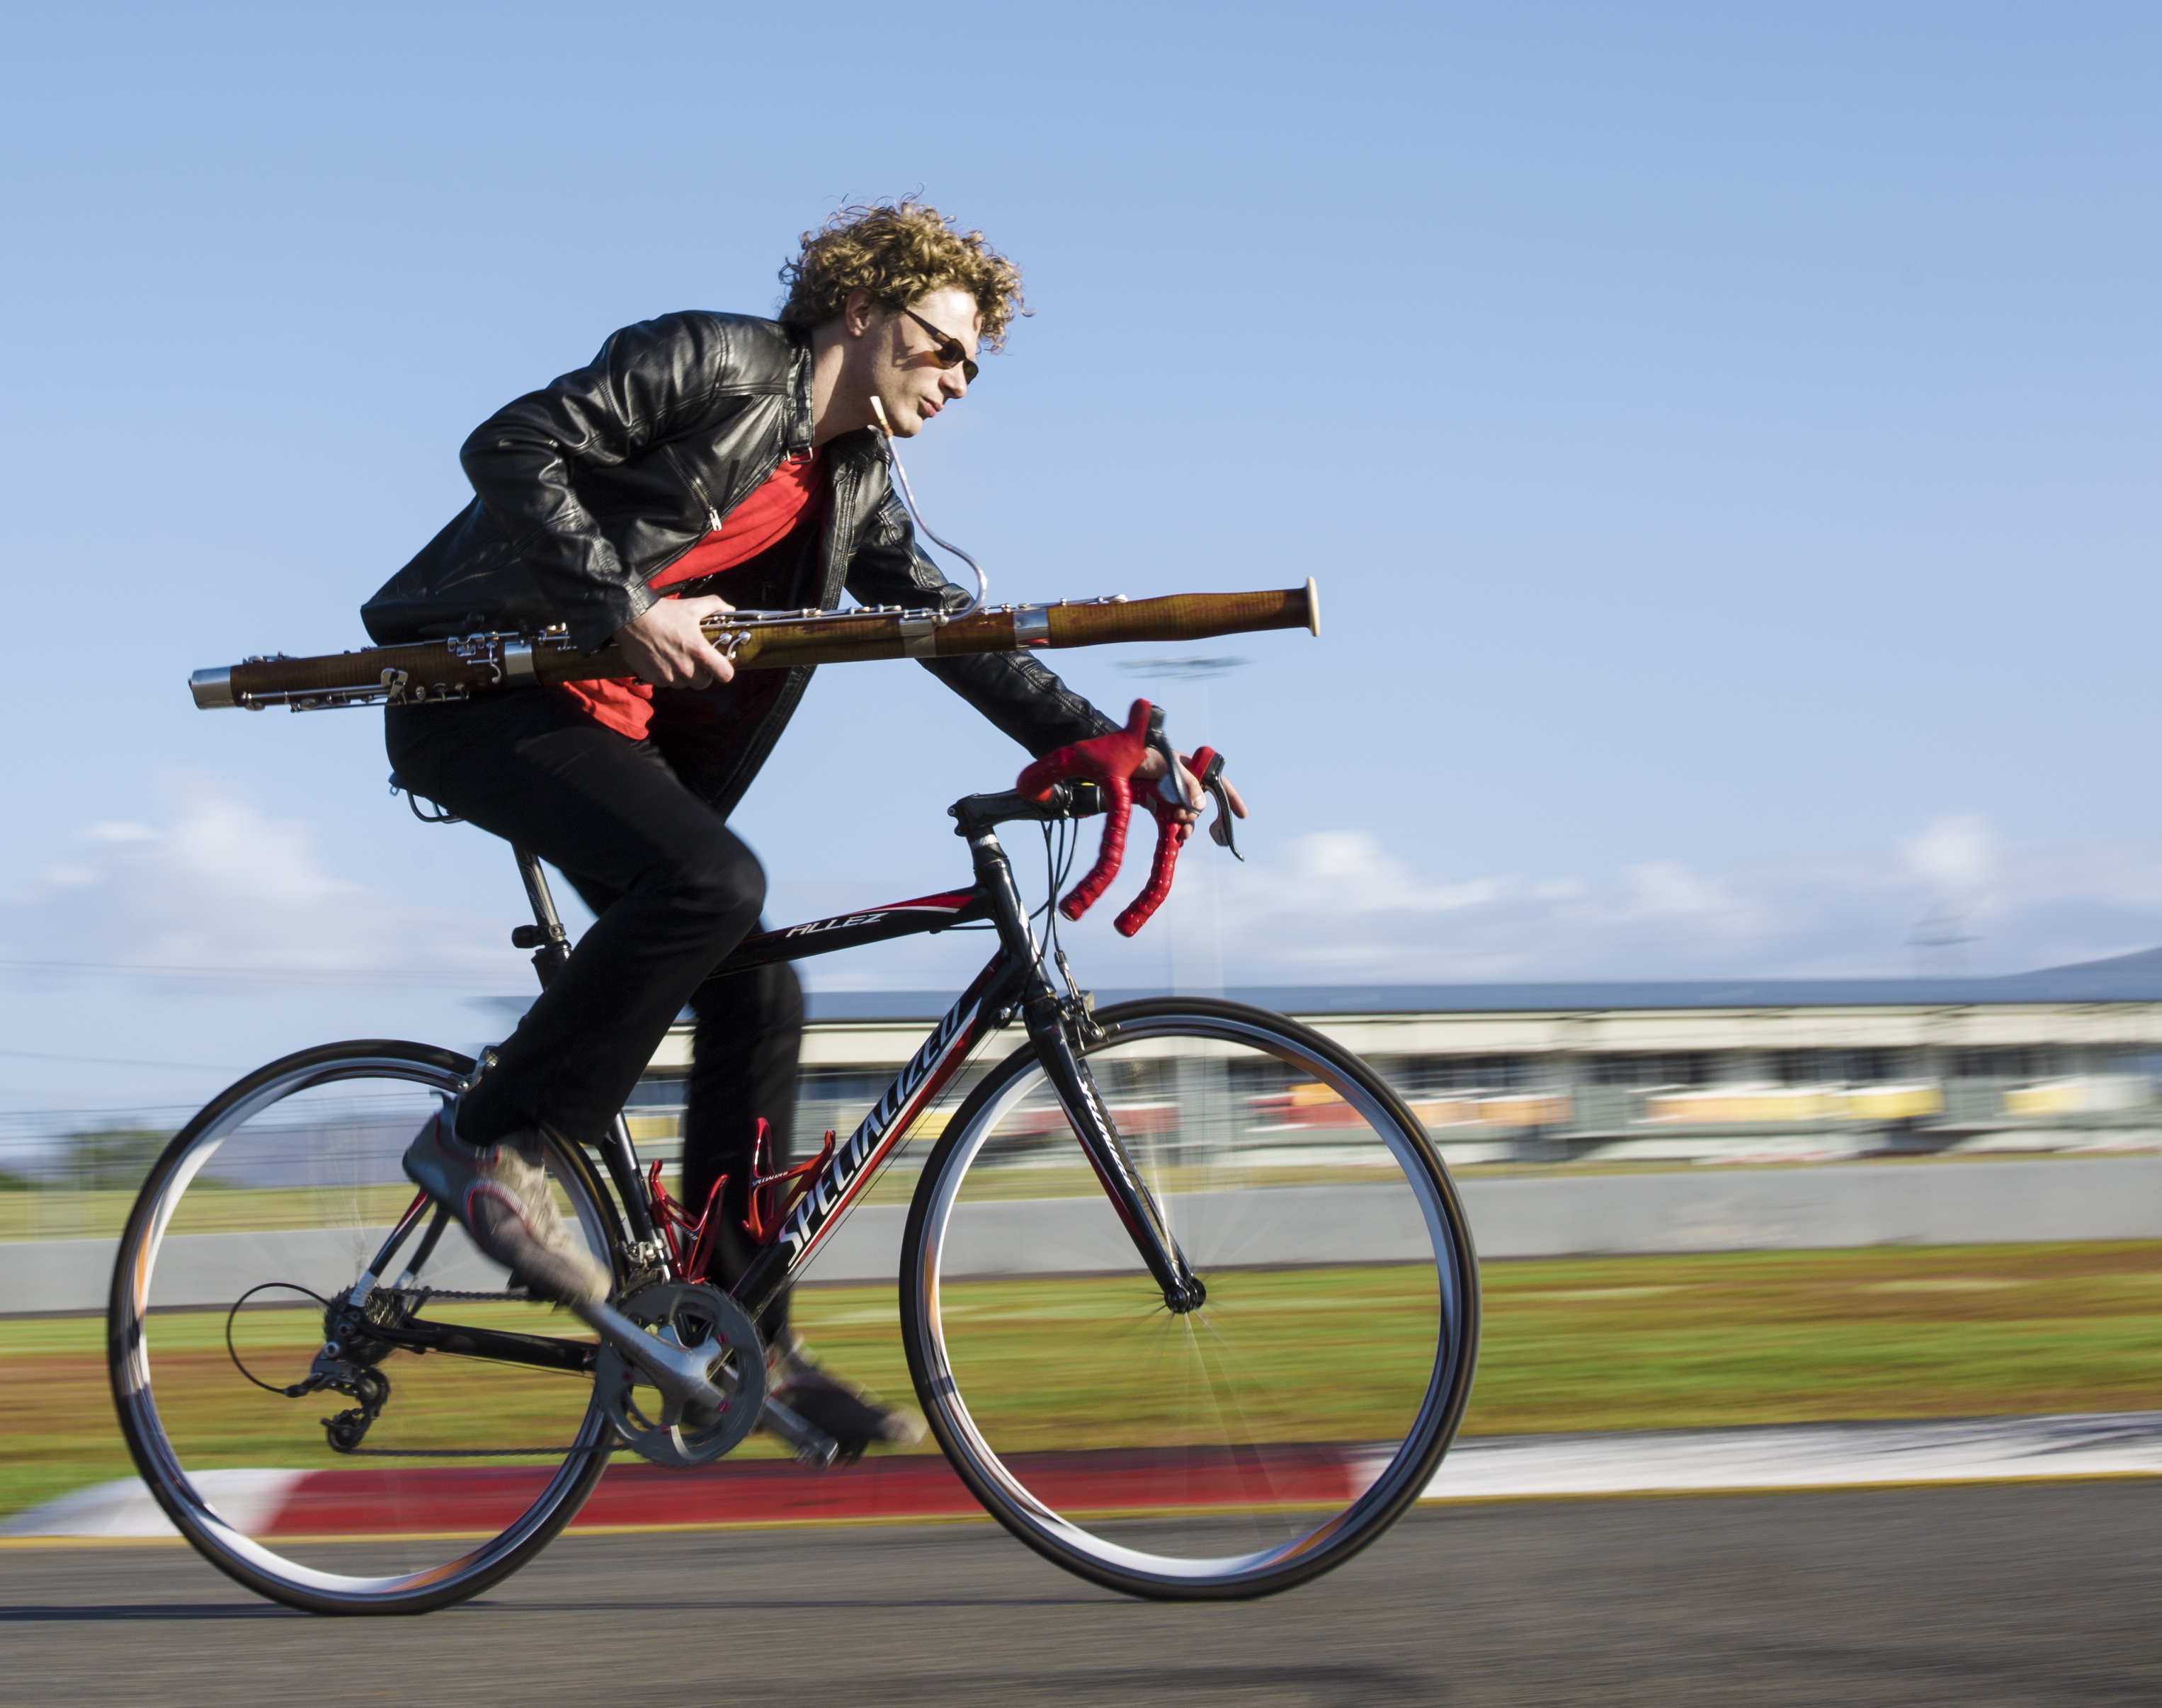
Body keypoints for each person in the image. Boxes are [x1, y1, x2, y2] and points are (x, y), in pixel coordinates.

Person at [365, 201, 1237, 1454]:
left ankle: (737, 1332)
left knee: (757, 990)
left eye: (976, 366)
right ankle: (487, 1143)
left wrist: (1103, 745)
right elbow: (512, 443)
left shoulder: (852, 487)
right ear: (863, 305)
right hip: (487, 700)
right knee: (712, 883)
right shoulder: (716, 360)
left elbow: (946, 632)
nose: (958, 381)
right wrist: (617, 601)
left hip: (606, 736)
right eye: (944, 348)